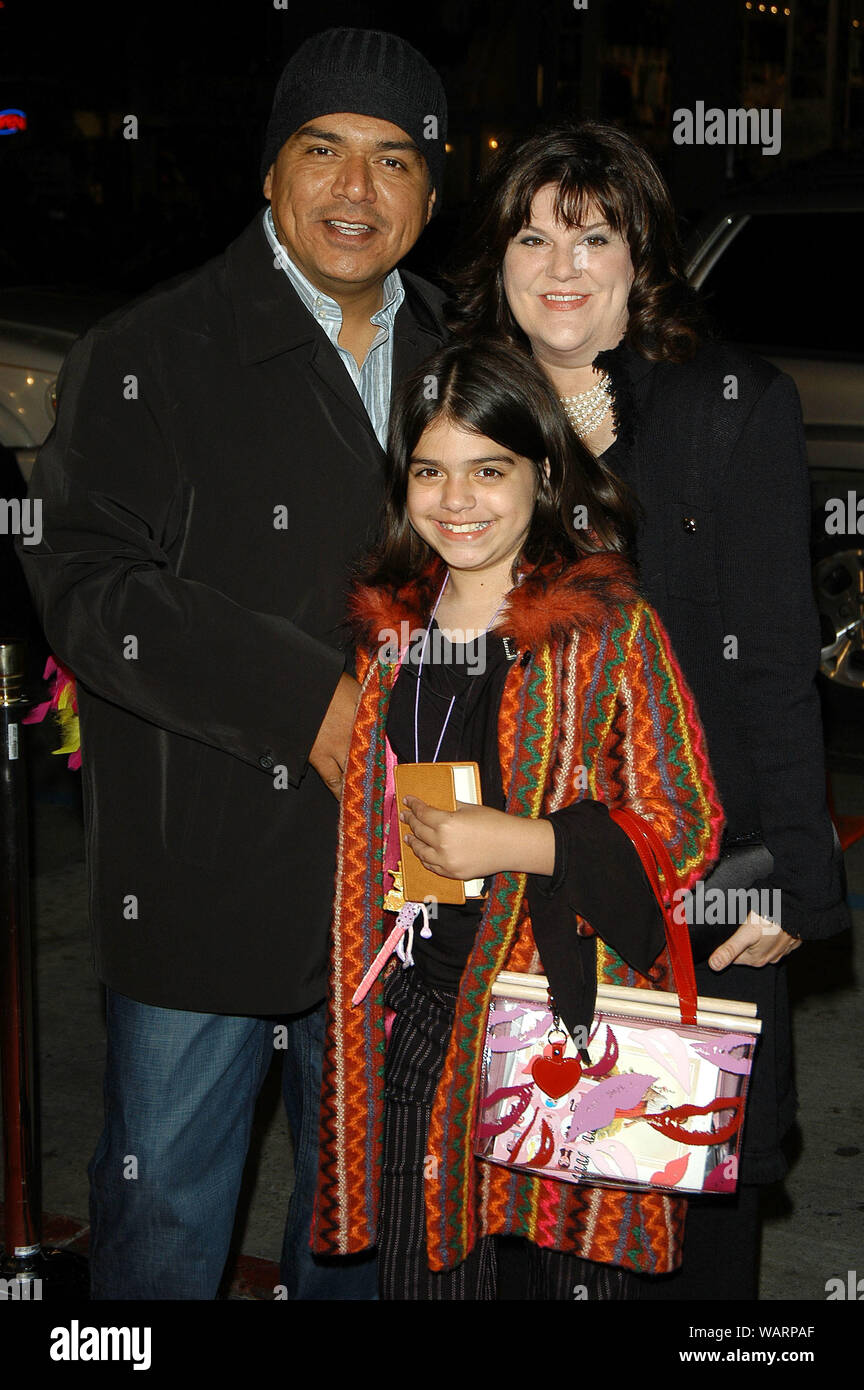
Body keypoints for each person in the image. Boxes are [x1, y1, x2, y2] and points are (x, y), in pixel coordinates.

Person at [19, 27, 448, 1300]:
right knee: (164, 1221)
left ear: (432, 193)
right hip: (201, 886)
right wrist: (302, 695)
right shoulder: (155, 352)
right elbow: (86, 582)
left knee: (362, 1227)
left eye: (393, 160)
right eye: (322, 151)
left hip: (411, 884)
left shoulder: (467, 357)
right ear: (270, 174)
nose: (355, 191)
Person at [445, 121, 851, 1299]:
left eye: (595, 235)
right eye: (533, 234)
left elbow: (776, 662)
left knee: (680, 1193)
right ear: (501, 260)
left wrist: (782, 870)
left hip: (690, 875)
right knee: (523, 1194)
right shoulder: (465, 412)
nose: (562, 265)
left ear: (642, 259)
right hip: (509, 882)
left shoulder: (732, 406)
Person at [311, 338, 725, 1300]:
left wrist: (526, 842)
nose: (456, 501)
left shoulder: (607, 626)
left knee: (572, 1271)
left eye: (487, 470)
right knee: (424, 1274)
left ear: (542, 474)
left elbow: (688, 820)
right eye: (429, 471)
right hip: (420, 1012)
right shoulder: (395, 635)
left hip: (562, 1029)